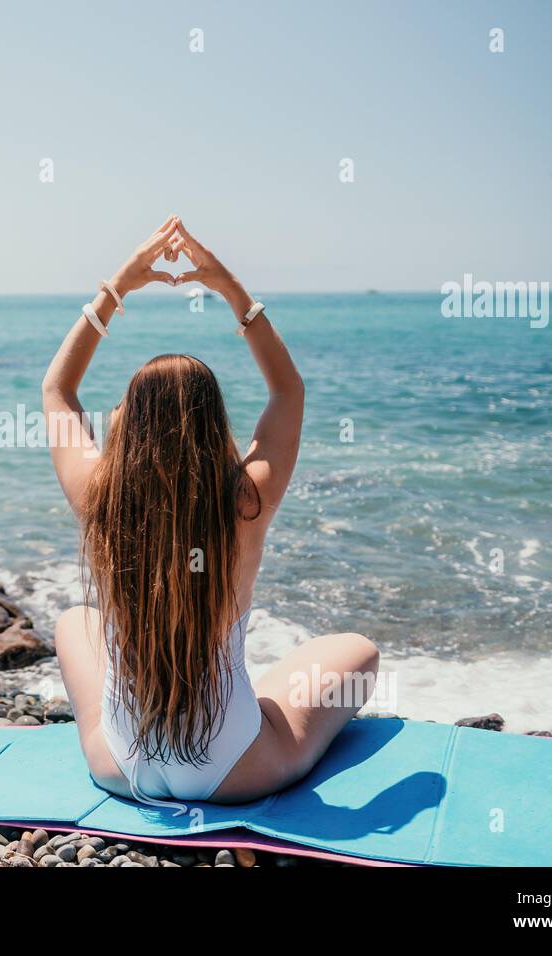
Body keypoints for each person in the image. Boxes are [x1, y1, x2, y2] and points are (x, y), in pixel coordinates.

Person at [43, 215, 379, 804]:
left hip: (120, 767)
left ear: (129, 427)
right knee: (359, 654)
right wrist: (229, 289)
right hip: (237, 771)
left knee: (75, 621)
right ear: (213, 427)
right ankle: (256, 709)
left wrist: (118, 285)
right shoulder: (246, 502)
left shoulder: (101, 502)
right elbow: (287, 390)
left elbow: (58, 391)